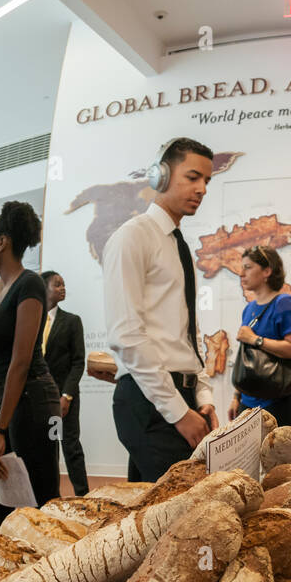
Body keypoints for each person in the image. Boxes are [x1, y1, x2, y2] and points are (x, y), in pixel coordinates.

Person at [103, 137, 218, 481]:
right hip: (149, 399)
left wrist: (202, 394)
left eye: (207, 181)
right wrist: (178, 412)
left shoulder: (177, 245)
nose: (202, 189)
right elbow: (126, 335)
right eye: (193, 177)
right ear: (160, 176)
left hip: (177, 395)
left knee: (152, 517)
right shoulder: (133, 237)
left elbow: (187, 332)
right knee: (189, 513)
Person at [0, 202, 60, 523]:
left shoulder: (29, 283)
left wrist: (0, 429)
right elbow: (2, 351)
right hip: (16, 404)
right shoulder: (7, 290)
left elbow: (21, 360)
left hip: (33, 404)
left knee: (40, 500)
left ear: (2, 242)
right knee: (3, 500)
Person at [229, 245, 291, 427]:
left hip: (279, 403)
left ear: (267, 271)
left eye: (248, 267)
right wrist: (236, 397)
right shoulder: (249, 308)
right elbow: (246, 356)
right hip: (248, 403)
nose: (242, 273)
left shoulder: (284, 303)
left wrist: (255, 340)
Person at [39, 270, 88, 496]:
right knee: (50, 448)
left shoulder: (72, 321)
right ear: (44, 289)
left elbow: (79, 363)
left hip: (65, 399)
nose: (62, 288)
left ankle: (83, 495)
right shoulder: (34, 322)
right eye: (57, 284)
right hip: (43, 399)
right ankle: (52, 497)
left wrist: (66, 396)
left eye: (63, 284)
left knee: (70, 446)